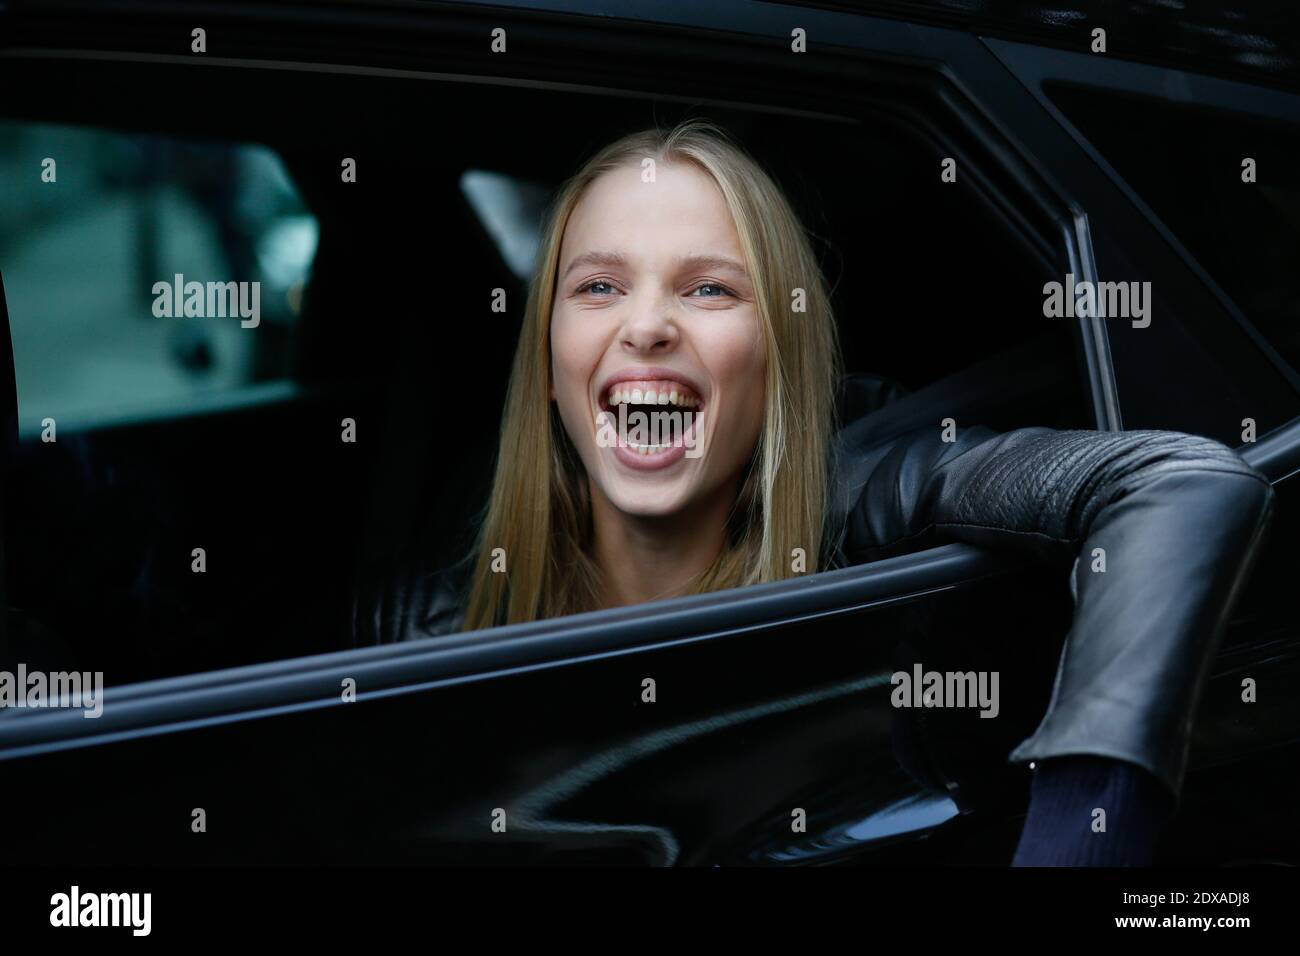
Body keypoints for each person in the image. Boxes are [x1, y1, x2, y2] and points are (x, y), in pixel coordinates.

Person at [356, 120, 1275, 866]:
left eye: (710, 290)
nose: (644, 326)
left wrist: (1084, 822)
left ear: (782, 359)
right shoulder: (448, 583)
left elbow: (1182, 481)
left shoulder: (862, 483)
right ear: (550, 362)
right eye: (598, 286)